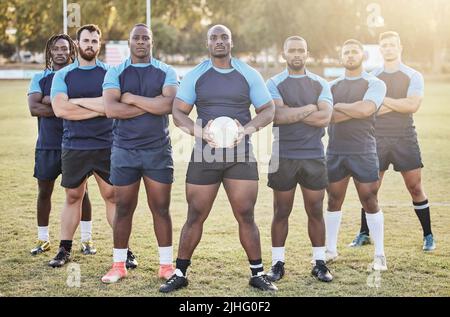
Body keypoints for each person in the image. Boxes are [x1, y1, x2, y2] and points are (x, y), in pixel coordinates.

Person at [159, 24, 277, 293]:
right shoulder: (196, 75)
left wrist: (245, 130)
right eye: (214, 37)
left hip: (240, 153)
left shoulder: (247, 73)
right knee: (195, 214)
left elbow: (268, 109)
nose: (219, 41)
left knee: (246, 214)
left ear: (231, 42)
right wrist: (201, 133)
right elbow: (178, 113)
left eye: (224, 37)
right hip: (205, 153)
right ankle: (180, 272)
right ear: (207, 43)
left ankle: (257, 274)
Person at [101, 24, 178, 283]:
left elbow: (169, 105)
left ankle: (166, 266)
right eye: (137, 38)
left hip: (157, 150)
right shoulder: (116, 71)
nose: (141, 41)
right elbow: (111, 109)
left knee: (161, 208)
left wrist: (132, 98)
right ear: (130, 42)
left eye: (146, 37)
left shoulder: (166, 71)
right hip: (124, 150)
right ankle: (118, 265)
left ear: (152, 41)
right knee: (123, 208)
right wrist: (152, 105)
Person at [349, 31, 435, 252]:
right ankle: (364, 233)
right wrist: (398, 103)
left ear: (400, 47)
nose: (388, 48)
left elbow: (412, 105)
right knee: (369, 189)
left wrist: (383, 100)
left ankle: (428, 236)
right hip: (375, 138)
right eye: (384, 45)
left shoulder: (413, 75)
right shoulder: (372, 76)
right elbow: (368, 109)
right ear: (380, 49)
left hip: (405, 137)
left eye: (392, 45)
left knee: (415, 187)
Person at [265, 36, 333, 282]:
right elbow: (278, 116)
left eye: (301, 50)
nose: (296, 54)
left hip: (314, 155)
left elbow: (324, 118)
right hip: (283, 155)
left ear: (307, 53)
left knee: (315, 210)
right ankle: (277, 264)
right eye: (292, 50)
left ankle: (320, 263)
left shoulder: (320, 83)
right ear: (284, 54)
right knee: (281, 210)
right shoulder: (273, 82)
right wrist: (309, 108)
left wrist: (293, 111)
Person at [48, 24, 117, 267]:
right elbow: (60, 109)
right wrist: (98, 108)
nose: (90, 45)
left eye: (94, 41)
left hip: (106, 145)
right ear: (77, 44)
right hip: (74, 146)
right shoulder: (63, 75)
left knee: (112, 196)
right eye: (86, 40)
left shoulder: (110, 73)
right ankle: (64, 250)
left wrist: (77, 103)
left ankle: (123, 251)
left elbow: (111, 107)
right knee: (73, 196)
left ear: (100, 44)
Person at [27, 34, 93, 256]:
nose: (60, 52)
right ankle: (43, 239)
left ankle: (86, 240)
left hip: (75, 145)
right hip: (48, 145)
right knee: (44, 191)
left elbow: (83, 107)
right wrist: (62, 107)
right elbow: (34, 108)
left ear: (71, 51)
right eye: (56, 48)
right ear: (50, 51)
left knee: (81, 194)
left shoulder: (75, 77)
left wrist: (49, 100)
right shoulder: (40, 77)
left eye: (65, 48)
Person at [326, 39, 388, 271]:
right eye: (346, 52)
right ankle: (330, 250)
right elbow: (327, 116)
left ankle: (380, 254)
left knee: (369, 200)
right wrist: (353, 109)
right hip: (336, 150)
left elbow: (367, 109)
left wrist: (339, 106)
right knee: (333, 200)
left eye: (354, 51)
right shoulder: (331, 86)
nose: (350, 55)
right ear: (341, 57)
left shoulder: (375, 83)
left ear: (363, 55)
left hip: (363, 150)